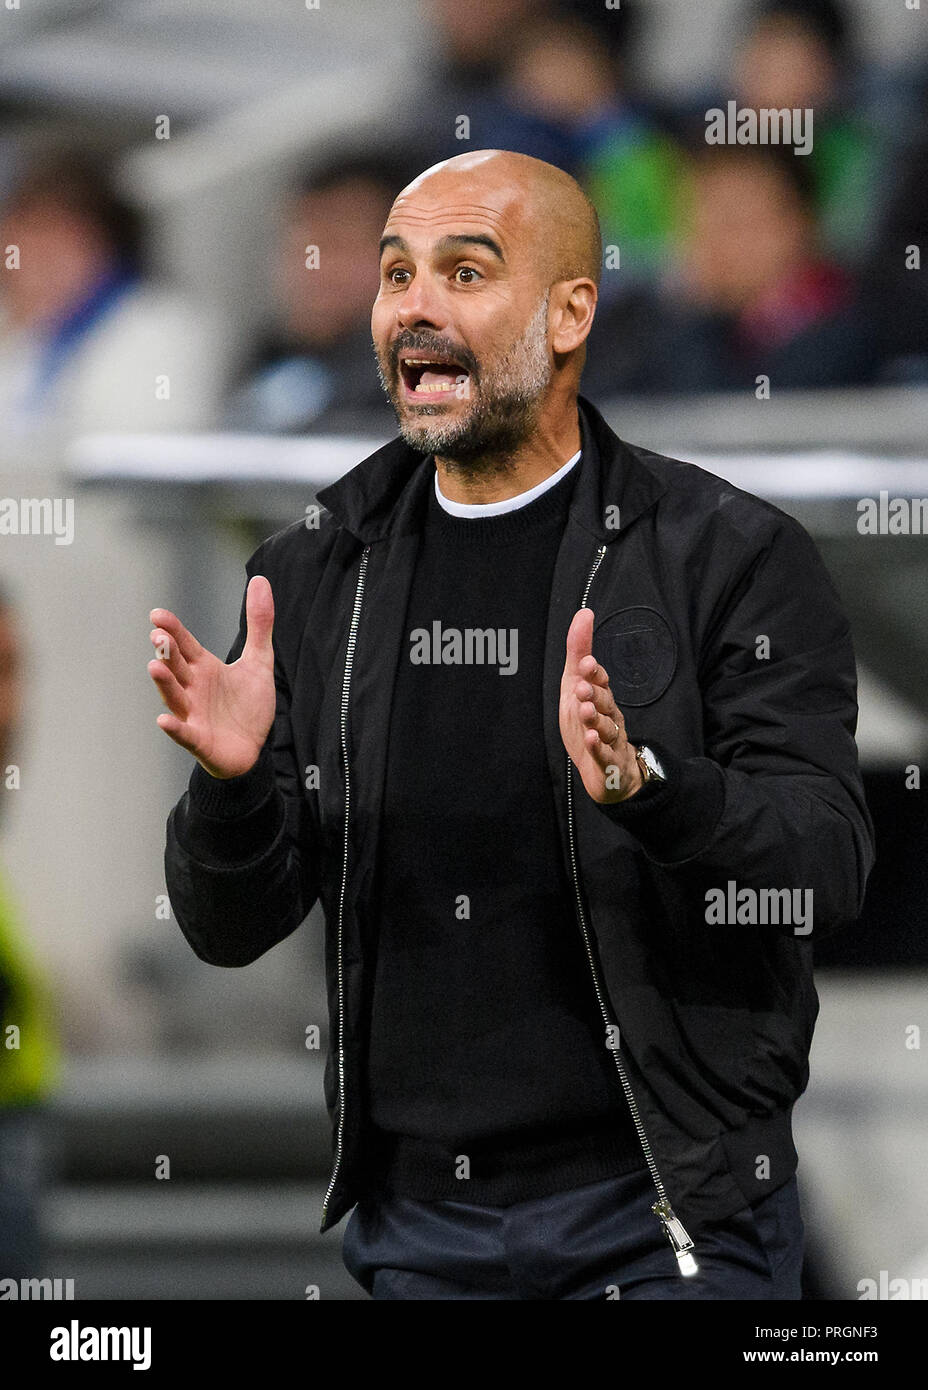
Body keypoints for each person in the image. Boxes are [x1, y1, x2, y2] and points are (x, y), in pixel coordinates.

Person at [153, 149, 874, 1300]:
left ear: (570, 308)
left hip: (663, 1219)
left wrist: (654, 788)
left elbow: (827, 860)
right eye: (396, 275)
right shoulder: (311, 571)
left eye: (465, 270)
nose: (416, 307)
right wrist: (233, 791)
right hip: (418, 1236)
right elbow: (226, 931)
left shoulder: (726, 556)